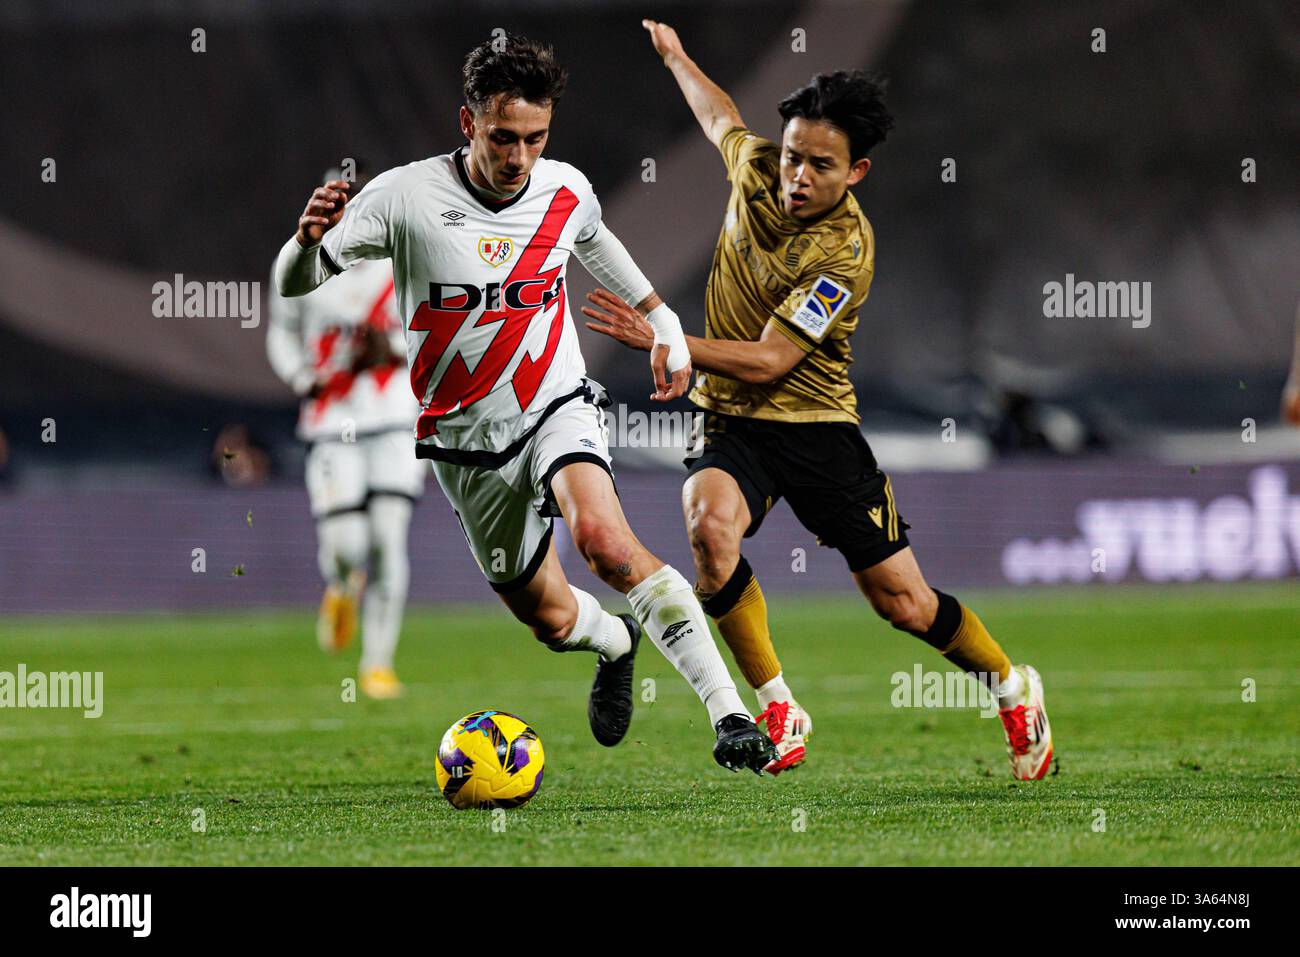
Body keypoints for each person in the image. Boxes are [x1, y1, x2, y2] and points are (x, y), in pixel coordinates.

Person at [274, 35, 774, 771]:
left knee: (605, 540)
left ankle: (730, 714)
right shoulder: (403, 197)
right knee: (549, 618)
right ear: (468, 123)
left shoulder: (561, 188)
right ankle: (613, 640)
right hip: (465, 442)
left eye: (534, 139)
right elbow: (296, 282)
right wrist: (303, 242)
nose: (518, 158)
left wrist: (664, 322)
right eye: (503, 138)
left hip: (555, 404)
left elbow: (594, 238)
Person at [583, 20, 1053, 780]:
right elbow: (719, 117)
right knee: (708, 529)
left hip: (817, 426)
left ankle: (1010, 683)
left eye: (819, 165)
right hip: (732, 417)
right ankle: (777, 703)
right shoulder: (758, 167)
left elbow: (772, 359)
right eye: (793, 155)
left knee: (903, 603)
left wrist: (666, 336)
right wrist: (677, 57)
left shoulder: (844, 252)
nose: (796, 175)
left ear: (857, 171)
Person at [267, 167, 427, 699]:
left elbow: (431, 328)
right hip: (334, 422)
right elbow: (282, 337)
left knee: (387, 540)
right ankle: (339, 584)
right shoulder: (297, 265)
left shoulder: (400, 261)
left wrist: (396, 350)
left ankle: (378, 663)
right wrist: (301, 378)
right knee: (347, 545)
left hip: (395, 417)